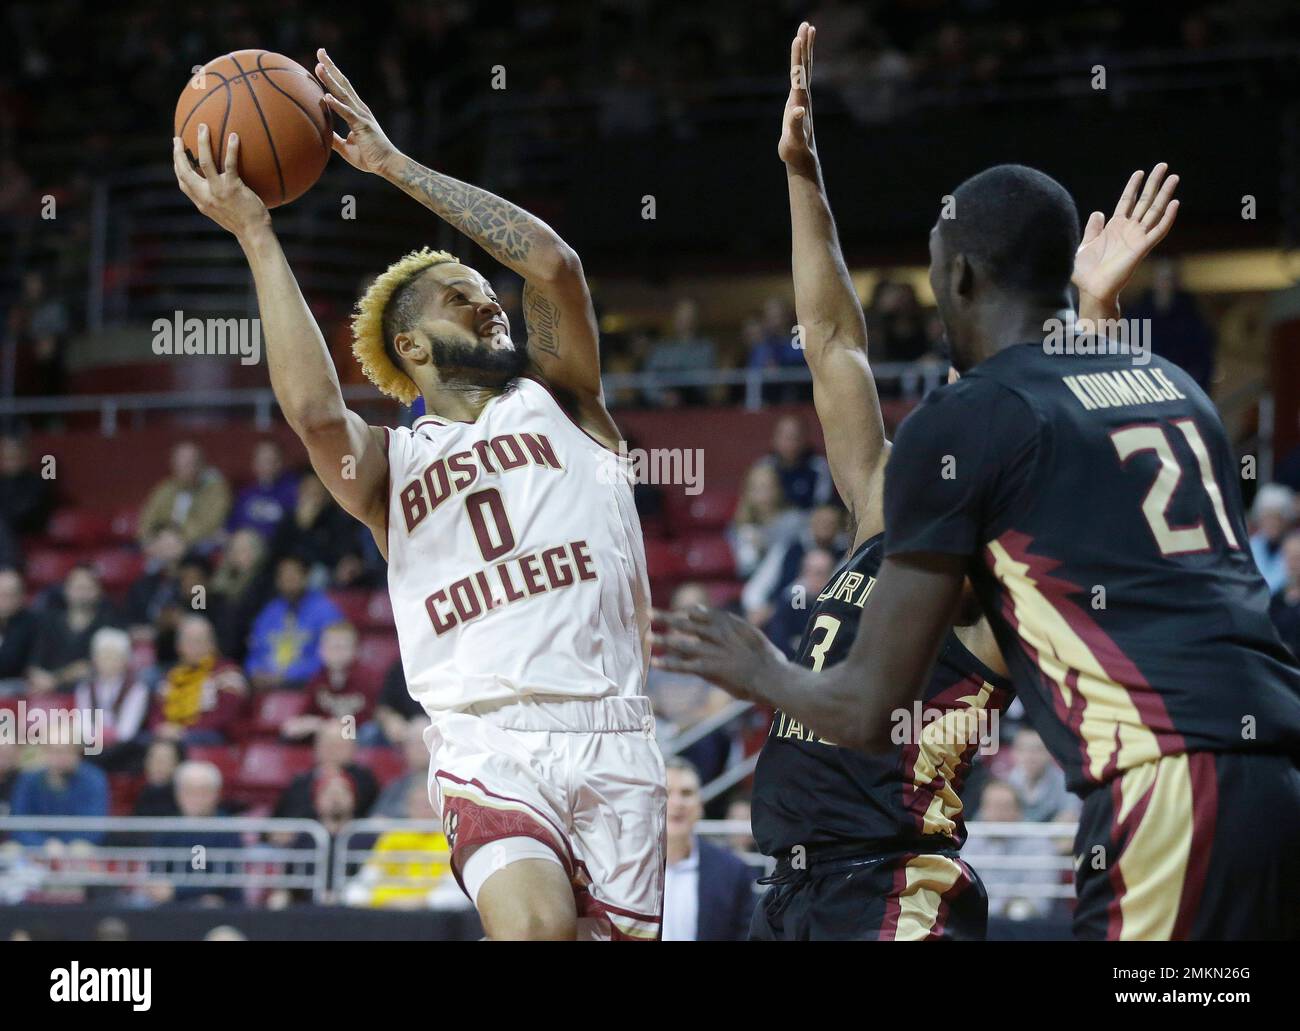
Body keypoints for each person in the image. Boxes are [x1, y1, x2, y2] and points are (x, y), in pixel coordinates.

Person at [660, 137, 1300, 938]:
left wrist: (759, 668)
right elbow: (832, 343)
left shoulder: (994, 536)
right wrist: (802, 172)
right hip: (794, 885)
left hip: (901, 874)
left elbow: (866, 706)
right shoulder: (900, 498)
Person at [172, 47, 665, 941]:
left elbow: (552, 265)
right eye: (462, 298)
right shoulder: (390, 466)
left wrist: (394, 167)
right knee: (536, 931)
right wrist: (256, 233)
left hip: (616, 737)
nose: (491, 307)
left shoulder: (561, 400)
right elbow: (318, 415)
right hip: (485, 741)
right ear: (412, 347)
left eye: (488, 295)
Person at [662, 758, 755, 941]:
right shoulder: (623, 869)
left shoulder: (733, 872)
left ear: (700, 805)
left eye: (686, 793)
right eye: (667, 793)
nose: (677, 802)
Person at [244, 554, 343, 691]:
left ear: (306, 576)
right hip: (266, 685)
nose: (288, 580)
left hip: (306, 685)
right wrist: (256, 671)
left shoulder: (325, 610)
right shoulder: (270, 611)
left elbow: (330, 655)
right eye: (283, 576)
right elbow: (254, 650)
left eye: (293, 574)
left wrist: (288, 675)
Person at [149, 615, 246, 745]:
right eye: (189, 642)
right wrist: (161, 728)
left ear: (212, 644)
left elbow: (225, 719)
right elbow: (157, 713)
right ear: (178, 646)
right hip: (172, 735)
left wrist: (183, 731)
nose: (195, 647)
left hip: (208, 736)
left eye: (200, 641)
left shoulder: (227, 674)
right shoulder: (171, 676)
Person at [28, 565, 119, 695]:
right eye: (77, 587)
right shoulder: (48, 621)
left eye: (88, 588)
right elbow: (34, 661)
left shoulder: (108, 625)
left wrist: (55, 680)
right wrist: (40, 679)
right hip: (45, 690)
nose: (82, 593)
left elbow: (91, 667)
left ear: (99, 592)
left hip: (89, 693)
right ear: (66, 589)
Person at [282, 622, 376, 740]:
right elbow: (304, 715)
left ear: (356, 650)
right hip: (326, 736)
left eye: (342, 647)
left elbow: (371, 720)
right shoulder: (317, 680)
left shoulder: (367, 679)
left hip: (356, 737)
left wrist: (324, 724)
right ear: (320, 650)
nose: (336, 652)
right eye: (330, 646)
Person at [136, 441, 231, 552]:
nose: (183, 469)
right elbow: (147, 520)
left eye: (189, 464)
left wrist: (178, 537)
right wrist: (152, 539)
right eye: (179, 464)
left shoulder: (215, 489)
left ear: (201, 465)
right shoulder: (165, 488)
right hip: (161, 540)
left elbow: (209, 524)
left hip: (197, 542)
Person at [10, 741, 109, 847]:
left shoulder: (94, 779)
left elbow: (94, 826)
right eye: (54, 751)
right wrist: (43, 844)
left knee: (82, 849)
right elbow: (19, 823)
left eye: (67, 751)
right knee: (11, 851)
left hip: (76, 848)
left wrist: (65, 845)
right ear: (44, 752)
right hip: (34, 848)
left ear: (77, 752)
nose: (61, 757)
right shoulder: (28, 779)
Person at [73, 627, 150, 751]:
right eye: (104, 656)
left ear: (125, 660)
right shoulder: (85, 688)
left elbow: (126, 731)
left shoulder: (137, 689)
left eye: (114, 657)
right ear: (94, 659)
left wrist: (104, 736)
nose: (108, 662)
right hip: (91, 746)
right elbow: (83, 724)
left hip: (123, 749)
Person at [227, 438, 297, 540]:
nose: (263, 465)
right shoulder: (245, 493)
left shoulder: (293, 491)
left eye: (269, 460)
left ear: (280, 463)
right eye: (260, 460)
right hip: (242, 546)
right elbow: (232, 526)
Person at [760, 414, 833, 510]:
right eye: (785, 437)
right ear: (774, 439)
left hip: (808, 521)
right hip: (770, 521)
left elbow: (822, 505)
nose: (789, 442)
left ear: (804, 439)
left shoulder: (819, 466)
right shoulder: (764, 466)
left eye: (794, 437)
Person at [0, 432, 53, 537]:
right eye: (6, 458)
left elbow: (27, 513)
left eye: (13, 458)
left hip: (25, 530)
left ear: (24, 458)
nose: (10, 463)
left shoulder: (36, 483)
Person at [1248, 483, 1295, 592]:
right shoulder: (1252, 545)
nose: (1272, 523)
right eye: (1267, 517)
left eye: (1277, 518)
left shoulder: (1295, 547)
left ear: (1286, 520)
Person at [0, 568, 38, 691]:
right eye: (1, 594)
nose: (5, 600)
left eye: (11, 594)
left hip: (15, 684)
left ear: (22, 596)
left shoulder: (31, 623)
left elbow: (12, 663)